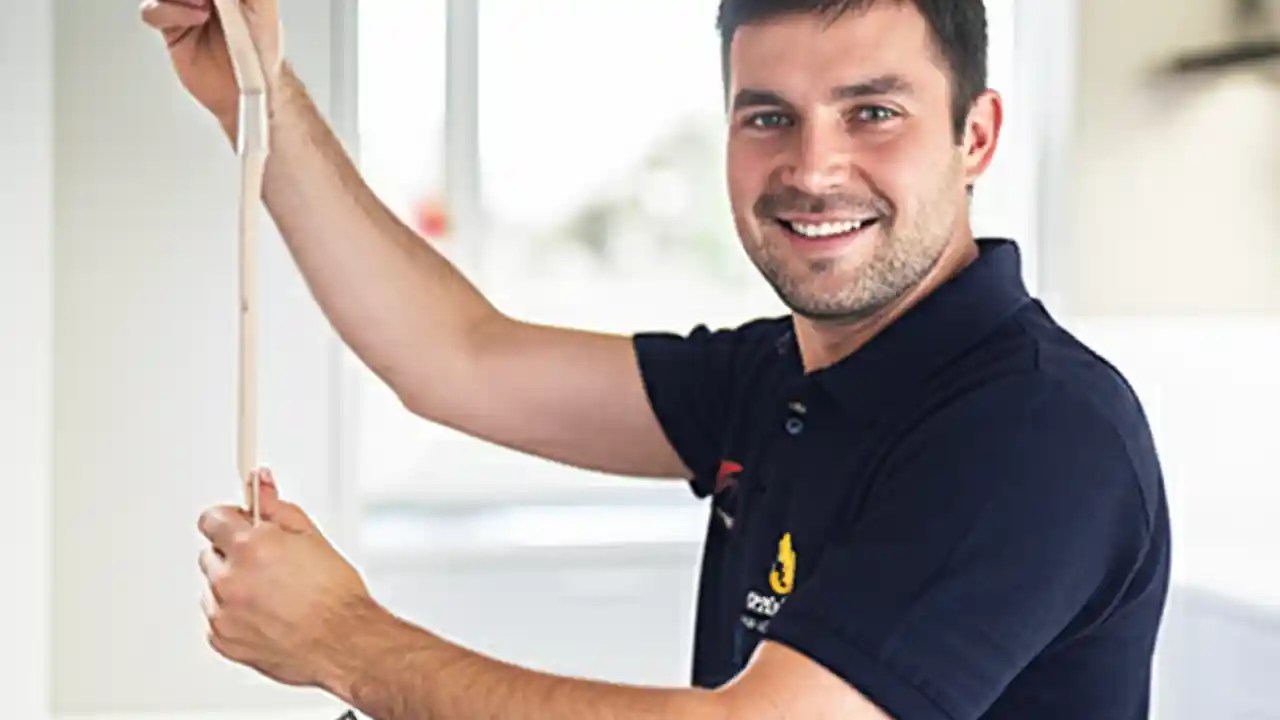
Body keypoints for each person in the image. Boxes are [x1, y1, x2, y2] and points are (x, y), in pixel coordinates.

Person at [142, 0, 1171, 717]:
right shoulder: (780, 377)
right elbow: (456, 358)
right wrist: (257, 97)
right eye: (767, 117)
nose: (812, 168)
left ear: (975, 136)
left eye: (872, 112)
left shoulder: (1033, 432)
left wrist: (345, 642)